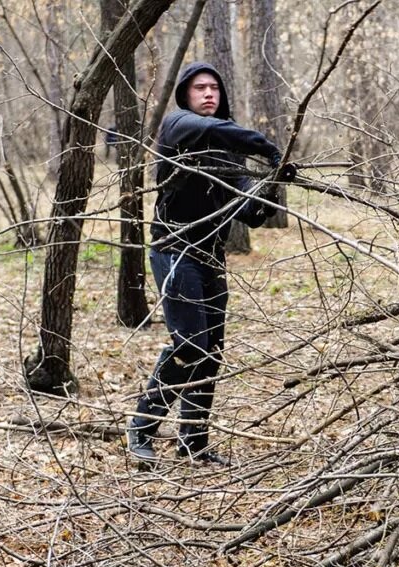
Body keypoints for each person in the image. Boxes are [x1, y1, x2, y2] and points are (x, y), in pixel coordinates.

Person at [126, 62, 295, 469]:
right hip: (174, 250)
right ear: (185, 94)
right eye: (200, 87)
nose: (208, 94)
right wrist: (268, 148)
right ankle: (141, 429)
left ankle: (193, 442)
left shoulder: (225, 151)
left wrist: (274, 178)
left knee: (211, 350)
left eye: (214, 88)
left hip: (209, 258)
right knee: (190, 344)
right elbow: (224, 131)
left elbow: (252, 213)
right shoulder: (177, 126)